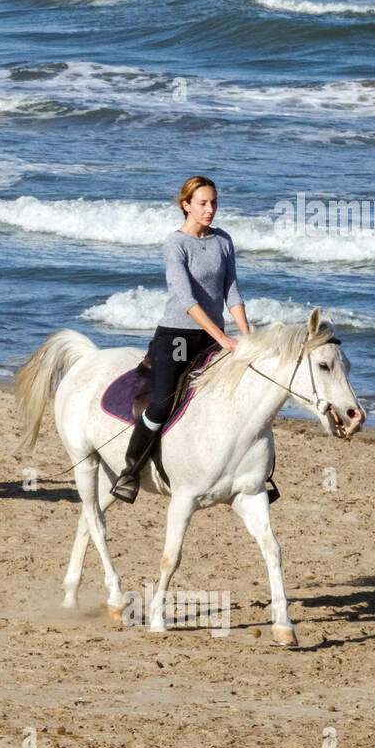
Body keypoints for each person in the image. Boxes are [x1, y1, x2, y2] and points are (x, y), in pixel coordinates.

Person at [111, 175, 251, 503]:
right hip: (176, 336)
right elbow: (187, 300)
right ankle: (130, 471)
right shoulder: (175, 244)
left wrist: (247, 337)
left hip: (213, 336)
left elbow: (232, 291)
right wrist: (223, 338)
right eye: (203, 203)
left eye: (214, 202)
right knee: (161, 403)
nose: (210, 209)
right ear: (186, 205)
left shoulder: (223, 241)